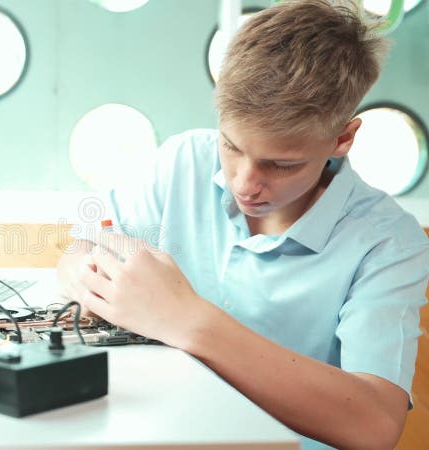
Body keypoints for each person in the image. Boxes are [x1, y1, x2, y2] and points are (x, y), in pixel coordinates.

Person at [57, 1, 429, 449]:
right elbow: (80, 250)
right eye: (232, 146)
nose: (244, 183)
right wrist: (85, 273)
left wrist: (187, 320)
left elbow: (374, 426)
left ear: (342, 139)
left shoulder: (388, 242)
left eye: (281, 164)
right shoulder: (183, 161)